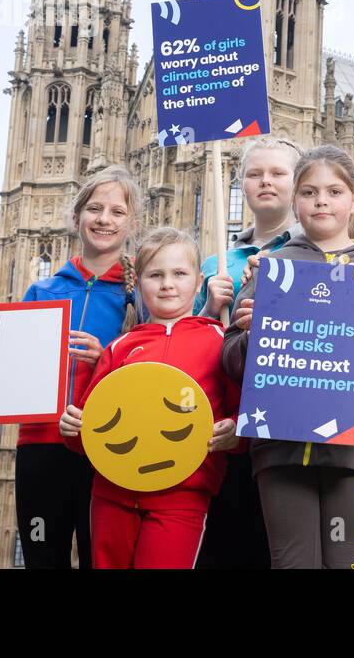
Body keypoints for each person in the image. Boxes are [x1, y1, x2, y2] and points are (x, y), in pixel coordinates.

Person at [223, 145, 354, 568]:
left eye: (334, 191)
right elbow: (232, 362)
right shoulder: (270, 268)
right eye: (309, 191)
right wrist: (249, 335)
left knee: (347, 563)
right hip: (280, 448)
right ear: (294, 201)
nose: (321, 201)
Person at [59, 227, 240, 569]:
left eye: (179, 274)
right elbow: (93, 427)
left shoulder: (220, 342)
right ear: (139, 282)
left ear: (199, 281)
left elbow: (241, 414)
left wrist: (235, 432)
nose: (167, 284)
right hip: (111, 494)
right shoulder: (119, 347)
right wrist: (74, 428)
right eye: (156, 275)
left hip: (183, 495)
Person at [16, 165, 140, 569]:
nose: (104, 219)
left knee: (99, 558)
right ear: (77, 217)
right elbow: (3, 359)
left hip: (109, 446)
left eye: (117, 212)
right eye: (94, 208)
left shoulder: (142, 296)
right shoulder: (43, 291)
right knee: (41, 557)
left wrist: (104, 355)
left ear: (131, 222)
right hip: (41, 445)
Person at [192, 136, 302, 570]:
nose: (266, 182)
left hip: (280, 437)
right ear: (240, 184)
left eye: (278, 173)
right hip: (220, 429)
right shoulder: (216, 263)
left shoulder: (314, 255)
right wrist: (207, 306)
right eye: (254, 174)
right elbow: (193, 344)